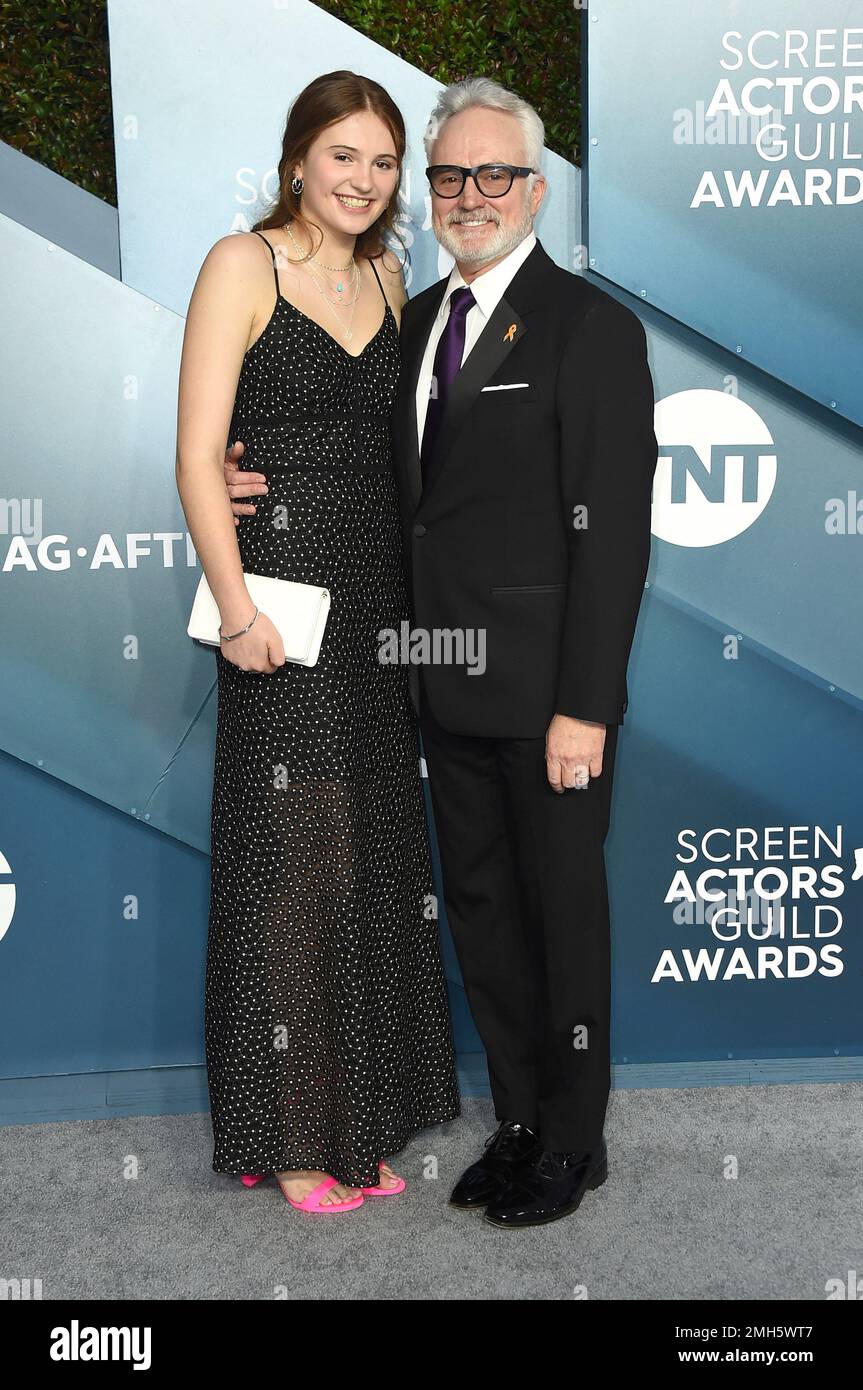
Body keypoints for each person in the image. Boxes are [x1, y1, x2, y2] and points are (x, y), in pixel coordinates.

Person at [225, 75, 658, 1230]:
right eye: (450, 176)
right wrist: (232, 467)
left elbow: (611, 542)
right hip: (430, 680)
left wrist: (586, 707)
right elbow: (357, 467)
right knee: (480, 913)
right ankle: (516, 1121)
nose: (470, 196)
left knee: (561, 916)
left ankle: (572, 1141)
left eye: (494, 175)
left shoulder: (590, 327)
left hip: (547, 698)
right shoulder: (413, 319)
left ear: (535, 187)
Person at [176, 70, 460, 1215]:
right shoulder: (241, 265)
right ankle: (292, 1135)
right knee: (293, 861)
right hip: (281, 607)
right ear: (298, 158)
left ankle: (363, 1120)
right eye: (342, 154)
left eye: (383, 160)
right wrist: (237, 609)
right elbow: (200, 457)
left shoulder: (395, 276)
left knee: (376, 856)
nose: (362, 178)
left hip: (381, 601)